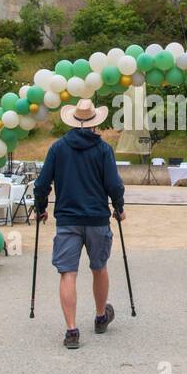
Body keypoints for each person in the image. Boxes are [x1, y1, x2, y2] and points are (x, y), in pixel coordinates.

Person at [33, 98, 126, 349]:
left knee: (68, 273)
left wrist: (41, 208)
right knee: (99, 267)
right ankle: (99, 317)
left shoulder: (58, 148)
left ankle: (72, 331)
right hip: (97, 219)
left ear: (73, 121)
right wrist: (119, 206)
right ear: (95, 121)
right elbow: (114, 185)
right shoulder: (104, 150)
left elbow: (42, 185)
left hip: (67, 220)